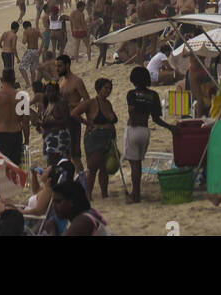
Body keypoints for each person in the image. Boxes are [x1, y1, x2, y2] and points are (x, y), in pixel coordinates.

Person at [123, 66, 171, 203]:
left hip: (133, 129)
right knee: (138, 162)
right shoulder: (153, 95)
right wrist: (170, 127)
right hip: (145, 131)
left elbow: (131, 110)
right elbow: (156, 119)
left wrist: (132, 118)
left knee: (134, 165)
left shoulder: (131, 94)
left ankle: (135, 194)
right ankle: (136, 194)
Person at [71, 78, 118, 200]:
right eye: (106, 88)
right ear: (98, 89)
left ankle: (104, 193)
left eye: (110, 88)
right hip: (94, 138)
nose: (108, 91)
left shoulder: (108, 104)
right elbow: (74, 113)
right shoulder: (90, 103)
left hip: (107, 138)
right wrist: (87, 123)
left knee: (104, 167)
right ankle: (88, 194)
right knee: (93, 166)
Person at [49, 161, 111, 236]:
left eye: (58, 202)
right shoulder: (86, 214)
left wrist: (52, 230)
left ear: (71, 202)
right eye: (53, 202)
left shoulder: (82, 222)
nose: (54, 206)